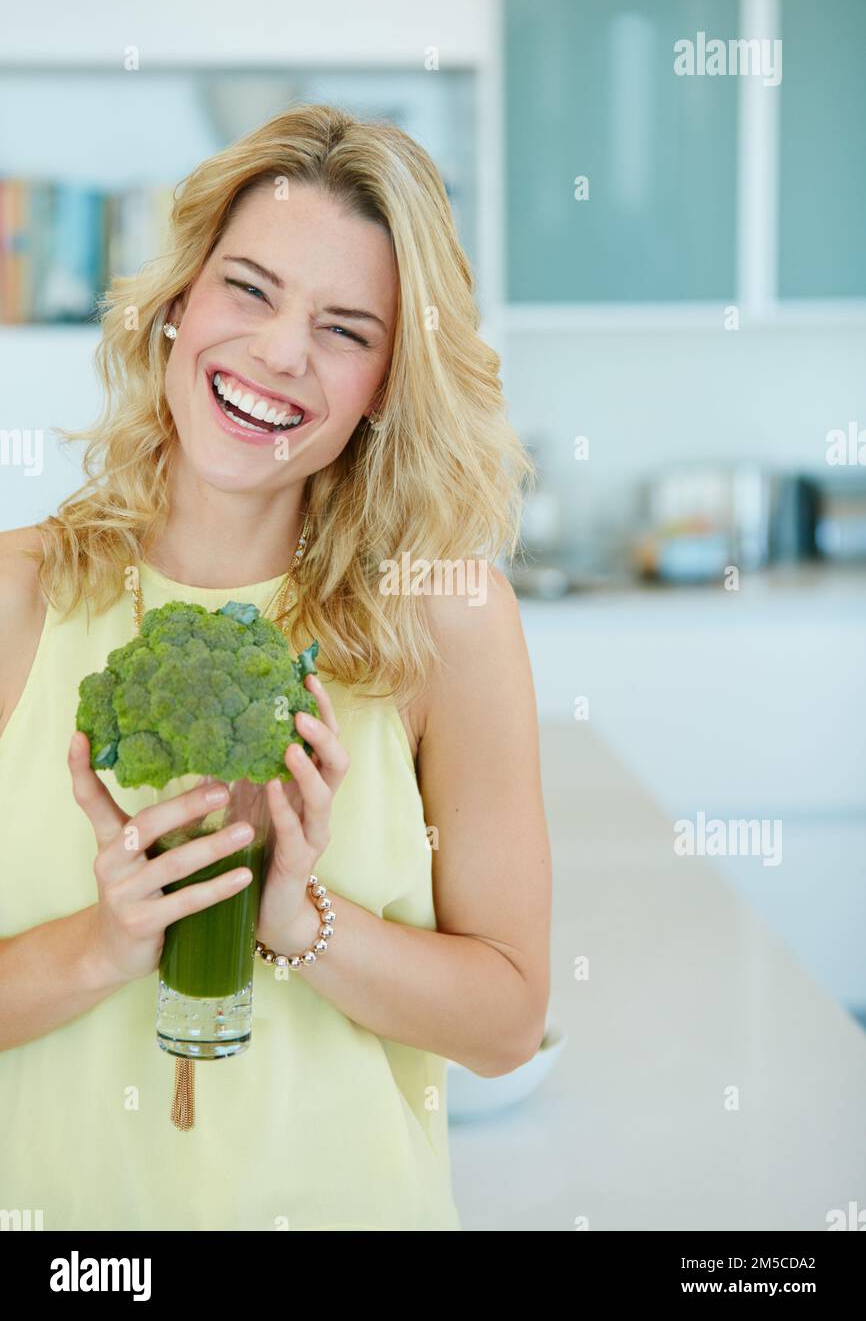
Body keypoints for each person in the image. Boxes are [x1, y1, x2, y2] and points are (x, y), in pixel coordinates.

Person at [0, 102, 551, 1231]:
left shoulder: (443, 623)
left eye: (347, 329)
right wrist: (104, 944)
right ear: (179, 302)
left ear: (388, 385)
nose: (280, 353)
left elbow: (505, 1021)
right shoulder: (19, 596)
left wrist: (305, 922)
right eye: (248, 289)